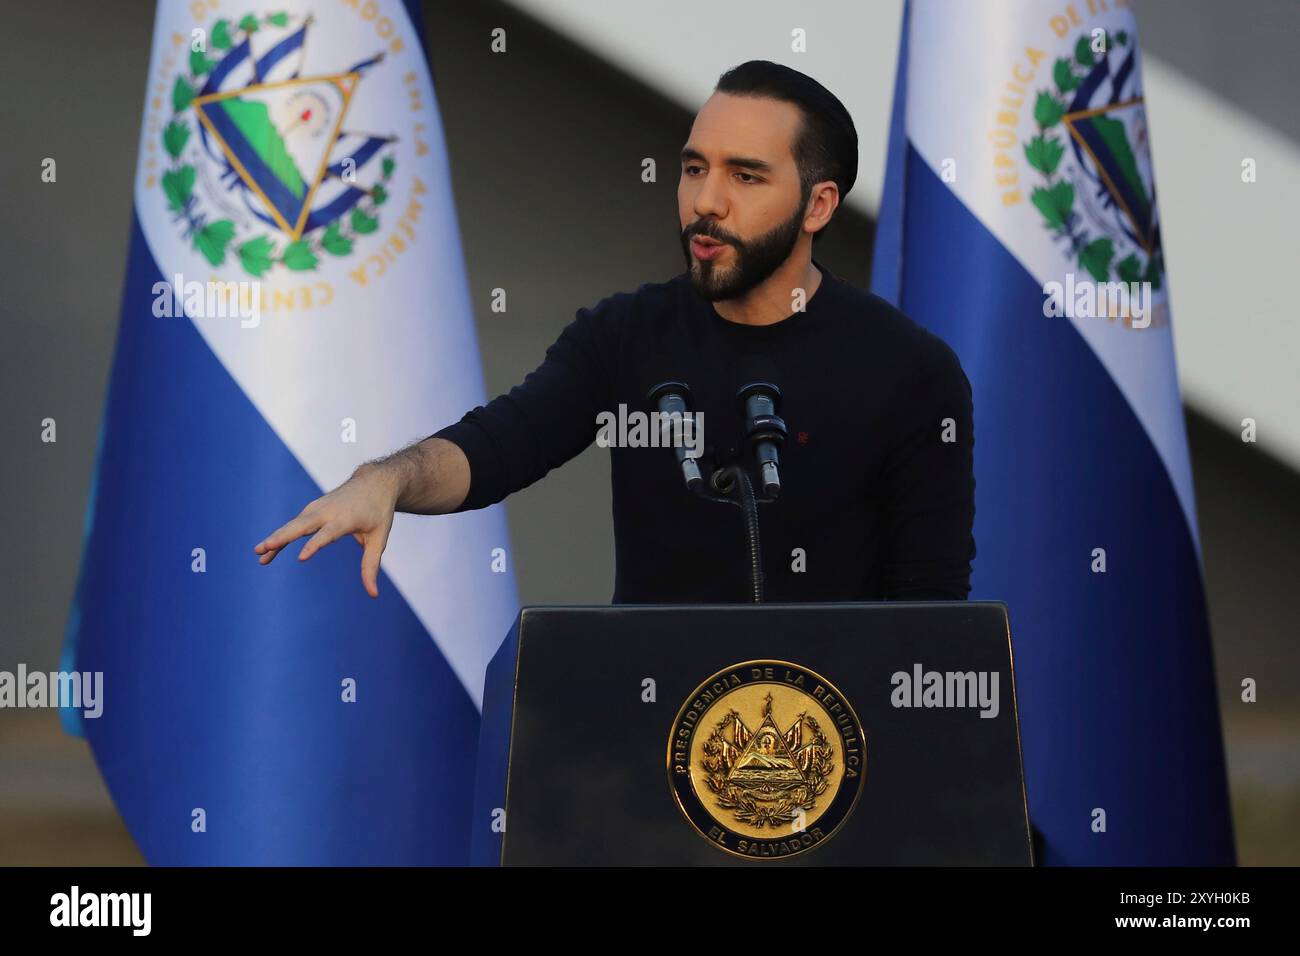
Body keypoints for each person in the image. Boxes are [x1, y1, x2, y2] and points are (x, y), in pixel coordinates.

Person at [254, 60, 975, 604]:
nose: (706, 201)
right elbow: (496, 448)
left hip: (831, 743)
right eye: (694, 168)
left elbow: (931, 613)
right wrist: (386, 480)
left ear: (818, 206)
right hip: (651, 731)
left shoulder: (909, 371)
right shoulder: (626, 335)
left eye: (746, 177)